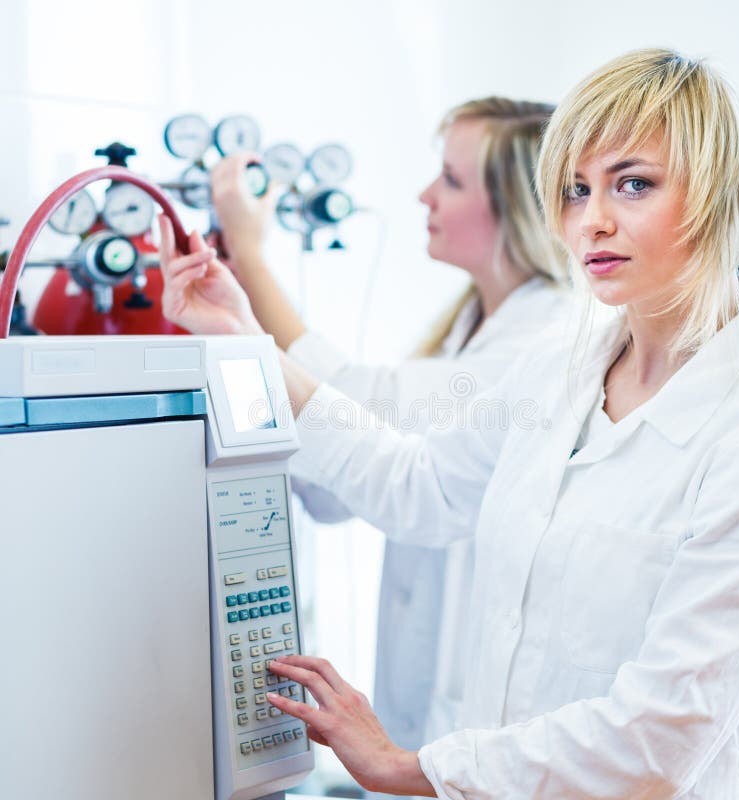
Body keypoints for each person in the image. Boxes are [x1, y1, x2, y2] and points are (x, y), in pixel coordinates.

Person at [252, 49, 739, 798]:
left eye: (632, 184)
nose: (593, 221)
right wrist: (251, 352)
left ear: (716, 197)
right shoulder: (559, 368)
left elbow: (658, 742)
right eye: (575, 191)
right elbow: (425, 489)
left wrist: (407, 768)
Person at [159, 98, 572, 761]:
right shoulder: (467, 333)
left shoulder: (542, 338)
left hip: (477, 724)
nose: (424, 194)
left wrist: (251, 256)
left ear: (516, 211)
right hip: (420, 712)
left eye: (452, 180)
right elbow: (349, 470)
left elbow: (358, 407)